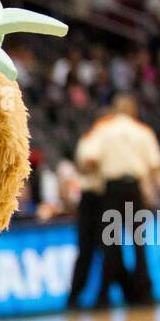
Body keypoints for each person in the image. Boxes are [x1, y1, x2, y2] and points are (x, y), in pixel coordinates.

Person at [75, 93, 160, 305]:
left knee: (111, 243)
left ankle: (104, 296)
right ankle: (145, 295)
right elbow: (154, 166)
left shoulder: (103, 130)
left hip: (112, 190)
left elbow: (90, 160)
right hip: (134, 189)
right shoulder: (143, 131)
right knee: (139, 244)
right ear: (133, 110)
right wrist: (151, 192)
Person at [68, 130, 104, 308]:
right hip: (89, 199)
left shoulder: (111, 140)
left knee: (111, 251)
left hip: (107, 198)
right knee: (85, 250)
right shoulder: (88, 139)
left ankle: (105, 295)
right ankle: (74, 297)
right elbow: (82, 166)